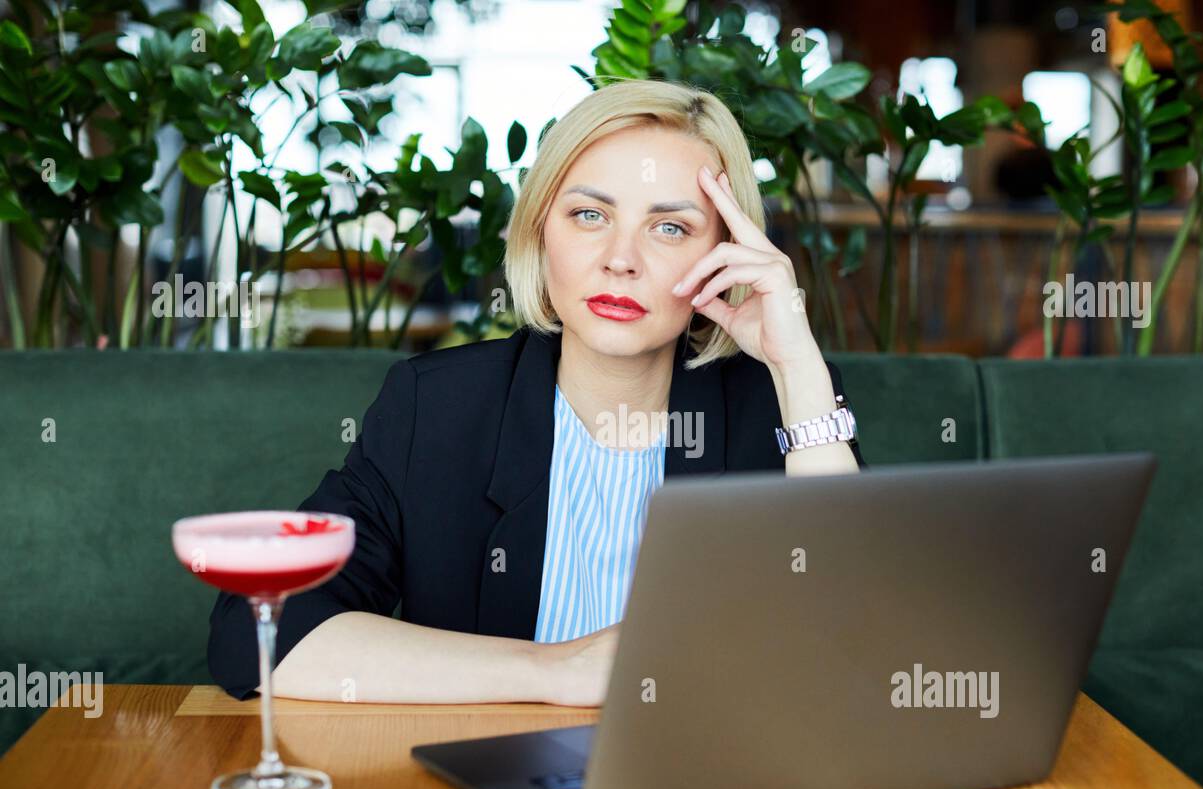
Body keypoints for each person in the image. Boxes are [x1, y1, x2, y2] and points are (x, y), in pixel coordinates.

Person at [207, 78, 864, 708]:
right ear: (540, 231)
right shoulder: (436, 409)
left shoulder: (777, 403)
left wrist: (797, 366)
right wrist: (554, 671)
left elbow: (855, 652)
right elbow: (256, 630)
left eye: (670, 228)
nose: (620, 259)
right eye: (588, 214)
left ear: (724, 254)